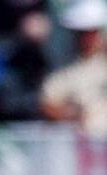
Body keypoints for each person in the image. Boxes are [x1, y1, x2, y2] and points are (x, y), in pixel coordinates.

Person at [40, 0, 107, 135]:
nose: (86, 38)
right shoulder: (64, 69)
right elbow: (48, 104)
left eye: (92, 31)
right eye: (82, 32)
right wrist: (70, 115)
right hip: (84, 146)